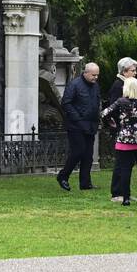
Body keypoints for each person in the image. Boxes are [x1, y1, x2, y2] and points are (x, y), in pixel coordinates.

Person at [101, 77, 137, 206]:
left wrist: (115, 124)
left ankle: (126, 198)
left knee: (125, 169)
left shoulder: (121, 102)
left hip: (124, 139)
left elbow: (104, 113)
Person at [56, 62, 101, 191]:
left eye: (97, 75)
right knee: (78, 151)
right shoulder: (74, 84)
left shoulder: (95, 86)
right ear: (85, 73)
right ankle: (63, 176)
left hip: (91, 124)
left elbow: (96, 103)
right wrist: (78, 118)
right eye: (93, 75)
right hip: (76, 125)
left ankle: (85, 183)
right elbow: (66, 103)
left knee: (88, 154)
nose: (95, 78)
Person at [106, 56, 137, 201]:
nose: (135, 72)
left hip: (128, 130)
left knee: (128, 162)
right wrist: (118, 125)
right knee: (121, 162)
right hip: (121, 130)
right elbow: (112, 109)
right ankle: (117, 192)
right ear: (124, 71)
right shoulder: (118, 85)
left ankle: (125, 192)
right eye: (133, 70)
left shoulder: (128, 84)